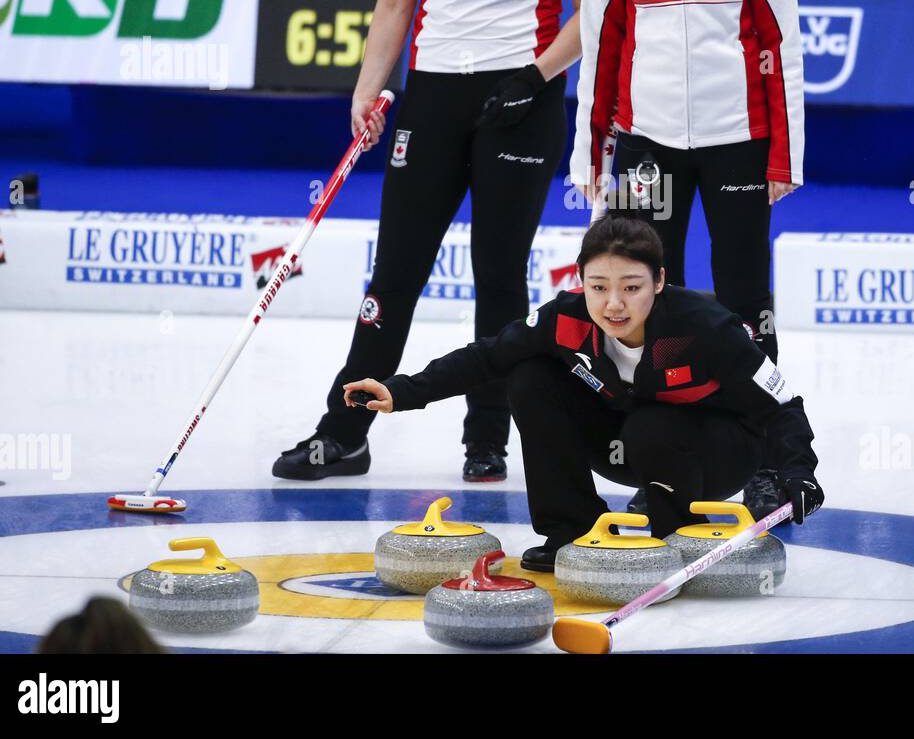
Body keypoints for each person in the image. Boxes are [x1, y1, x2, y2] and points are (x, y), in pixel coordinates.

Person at [273, 0, 596, 485]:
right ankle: (346, 431)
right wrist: (367, 88)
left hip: (524, 98)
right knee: (395, 272)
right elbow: (395, 2)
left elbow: (596, 12)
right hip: (435, 93)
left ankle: (487, 440)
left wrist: (537, 74)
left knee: (499, 277)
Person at [568, 0, 805, 519]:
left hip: (739, 142)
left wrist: (783, 157)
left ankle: (770, 457)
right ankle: (657, 457)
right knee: (642, 303)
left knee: (745, 303)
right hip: (646, 149)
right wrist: (589, 153)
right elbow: (602, 48)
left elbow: (782, 43)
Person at [344, 214, 823, 572]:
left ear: (658, 282)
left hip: (718, 454)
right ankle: (570, 534)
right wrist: (400, 391)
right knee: (530, 376)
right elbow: (487, 357)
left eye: (631, 287)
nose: (614, 304)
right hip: (630, 447)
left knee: (653, 423)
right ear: (582, 283)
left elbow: (782, 406)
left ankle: (672, 537)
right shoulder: (566, 319)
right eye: (599, 287)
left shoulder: (705, 328)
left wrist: (798, 473)